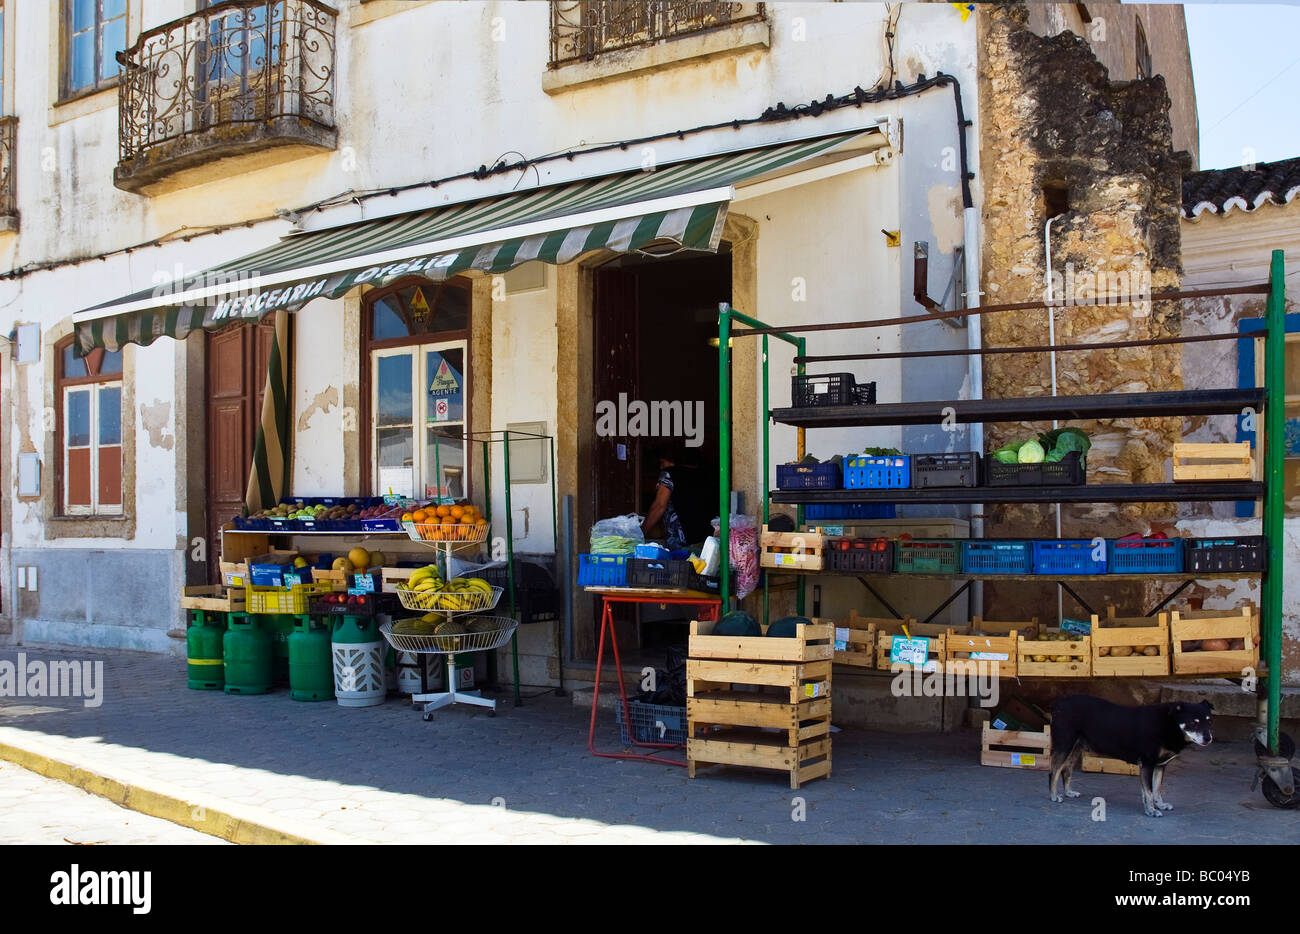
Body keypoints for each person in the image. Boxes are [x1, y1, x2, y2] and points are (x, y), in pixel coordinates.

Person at [642, 446, 692, 551]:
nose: (661, 467)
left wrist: (641, 533)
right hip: (698, 536)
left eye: (662, 462)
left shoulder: (669, 474)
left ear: (672, 462)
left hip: (679, 536)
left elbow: (659, 505)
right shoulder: (694, 473)